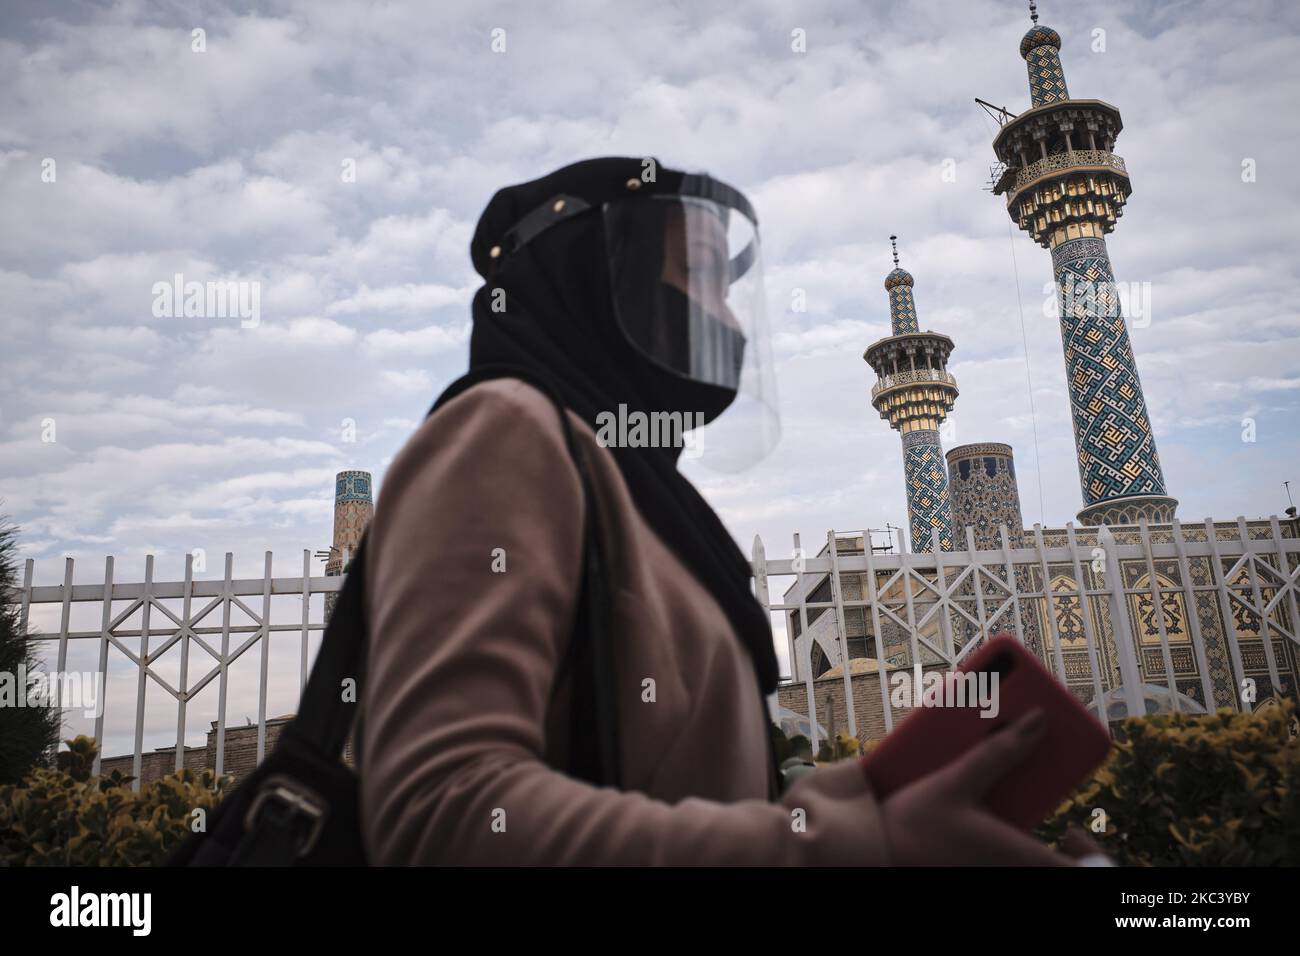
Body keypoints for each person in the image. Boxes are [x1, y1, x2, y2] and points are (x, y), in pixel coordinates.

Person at [357, 156, 1089, 865]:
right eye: (706, 275)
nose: (729, 320)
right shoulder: (506, 432)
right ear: (600, 275)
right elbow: (444, 815)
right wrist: (854, 849)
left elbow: (684, 796)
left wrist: (864, 801)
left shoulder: (638, 499)